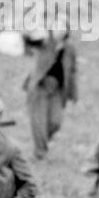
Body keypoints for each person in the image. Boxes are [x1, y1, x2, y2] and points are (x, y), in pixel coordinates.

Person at [23, 27, 78, 160]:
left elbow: (72, 70)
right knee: (39, 120)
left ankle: (41, 143)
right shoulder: (45, 42)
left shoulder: (69, 48)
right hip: (40, 86)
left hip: (57, 89)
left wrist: (74, 92)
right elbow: (30, 41)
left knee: (56, 121)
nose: (59, 30)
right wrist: (27, 33)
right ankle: (40, 152)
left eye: (62, 27)